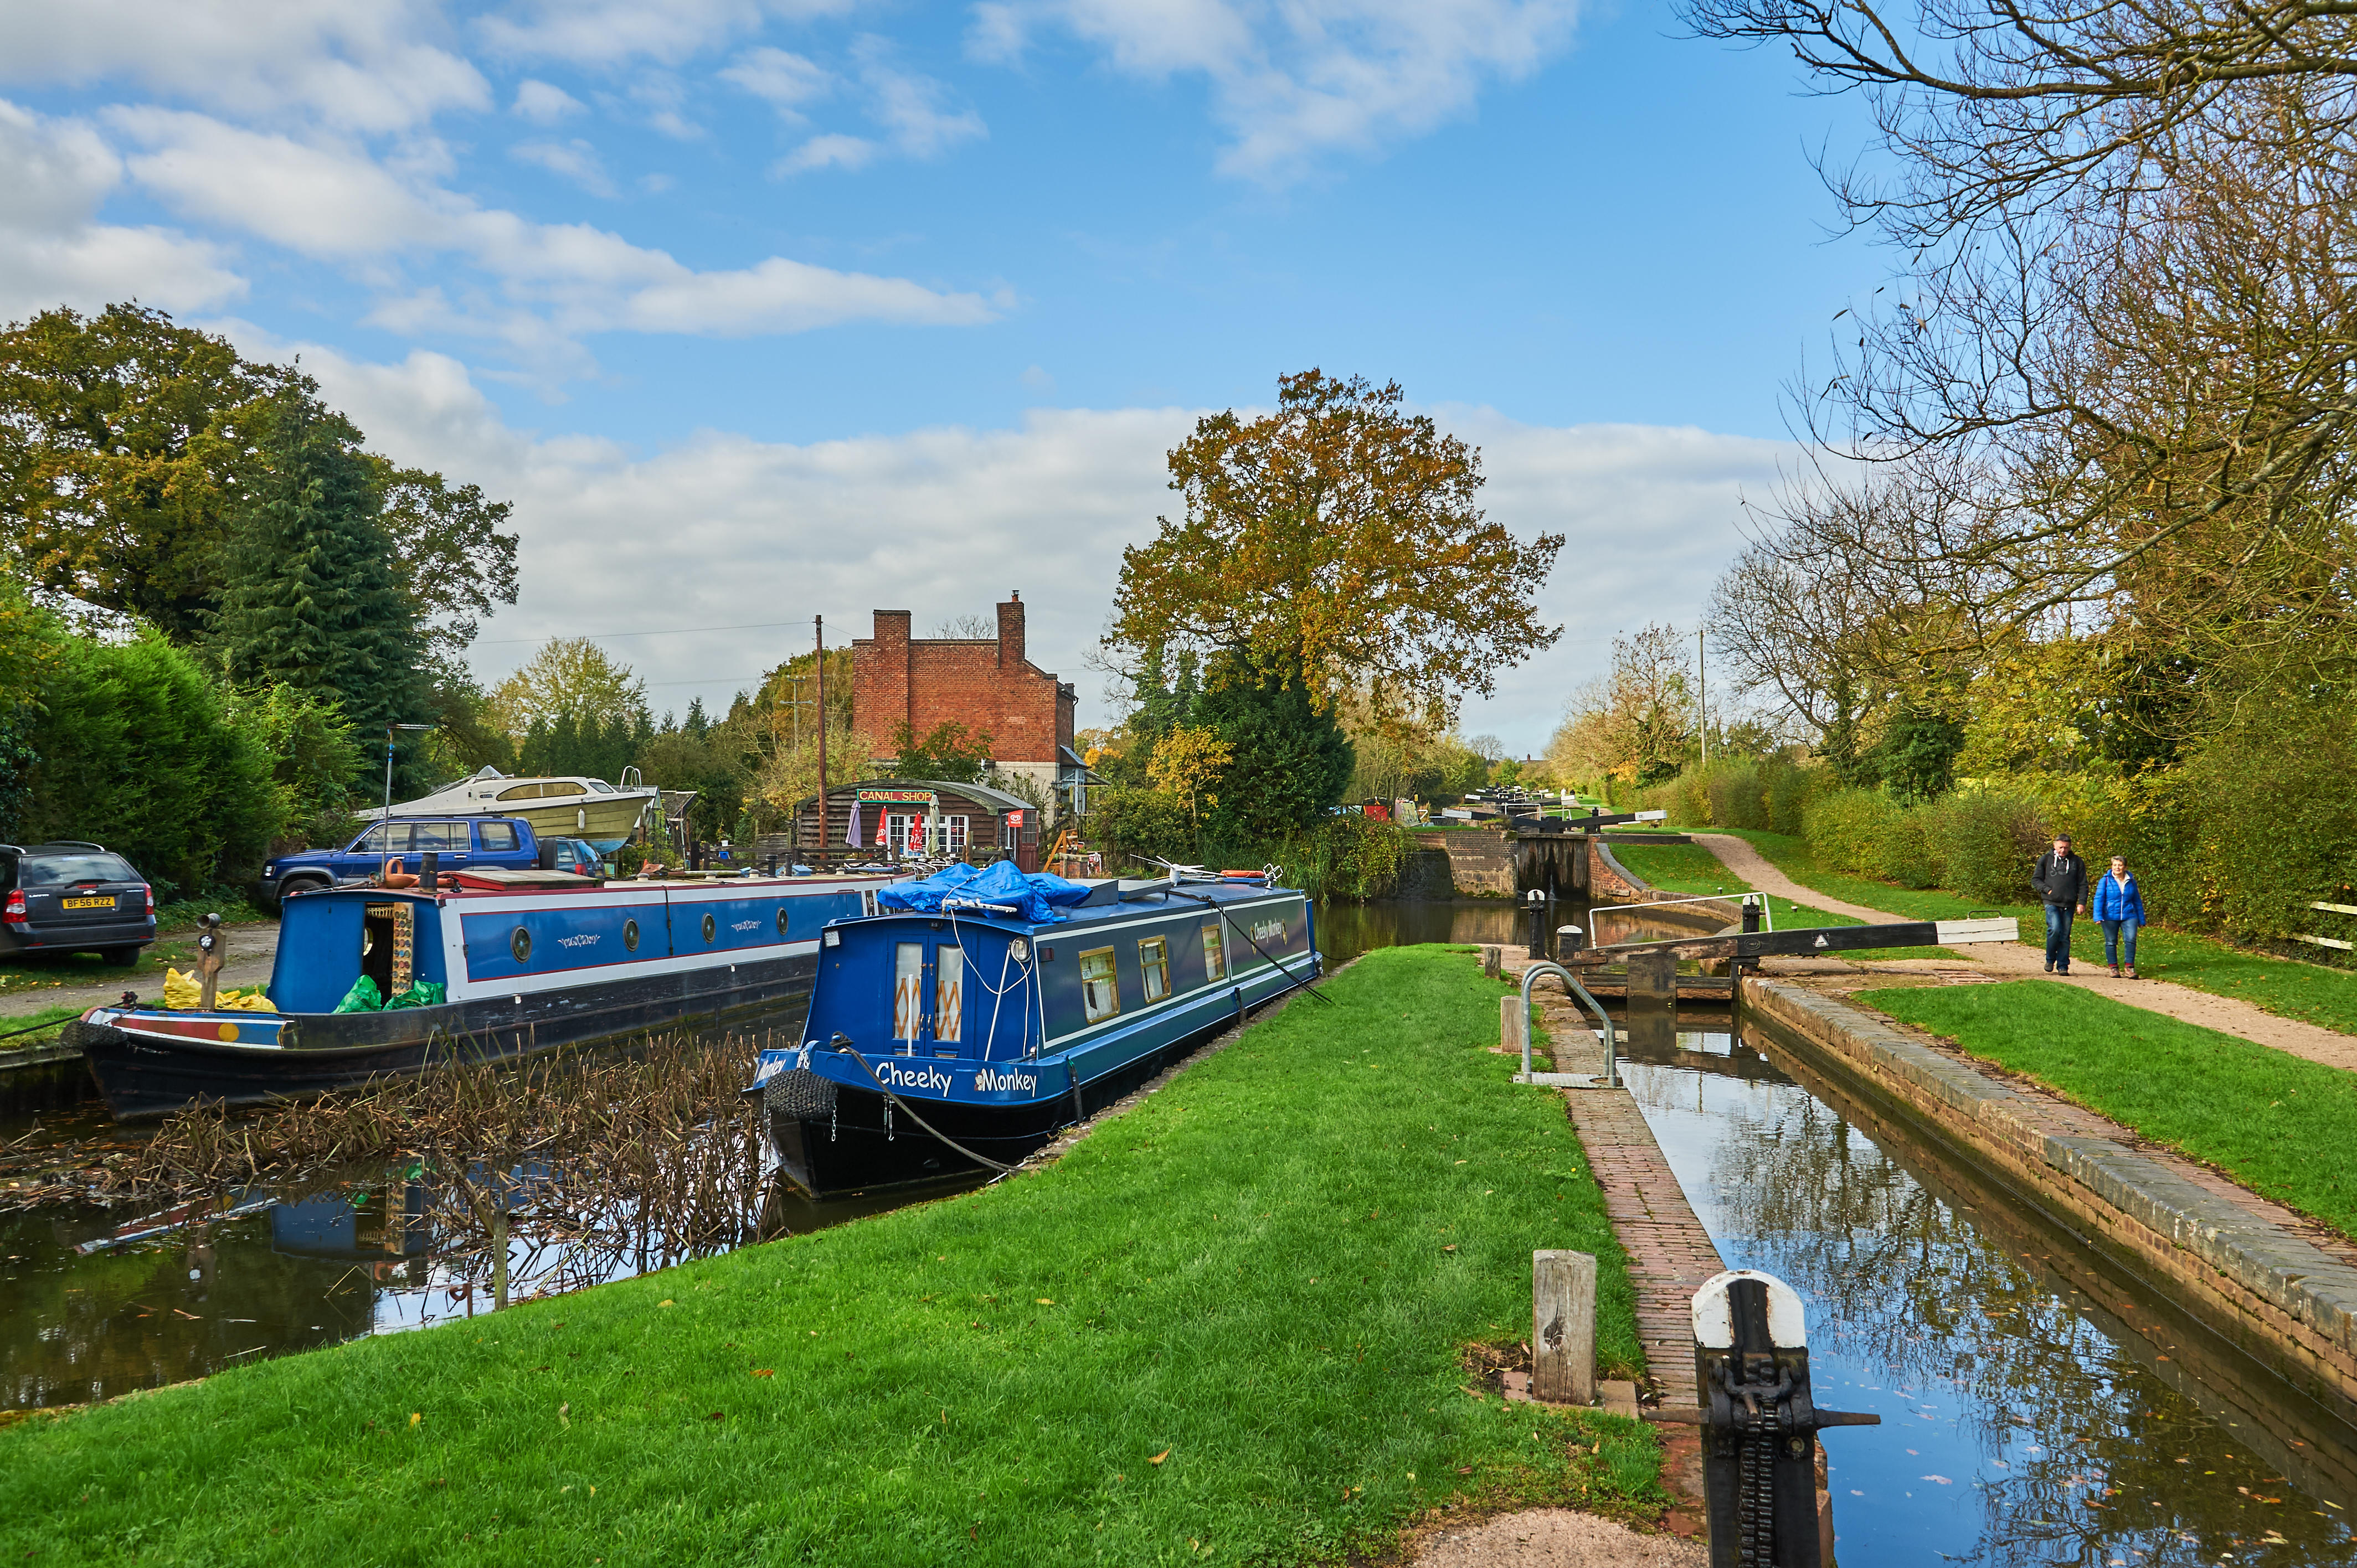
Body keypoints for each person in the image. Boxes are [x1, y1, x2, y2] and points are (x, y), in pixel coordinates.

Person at [2033, 833, 2087, 974]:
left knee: (2065, 935)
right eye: (2061, 847)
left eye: (2066, 848)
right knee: (2055, 929)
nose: (2063, 850)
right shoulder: (2045, 860)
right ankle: (2050, 959)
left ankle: (2063, 965)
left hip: (2069, 902)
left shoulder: (2077, 862)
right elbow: (2036, 880)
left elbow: (2083, 884)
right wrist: (2048, 890)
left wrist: (2082, 902)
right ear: (2055, 845)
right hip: (2051, 901)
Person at [2094, 854, 2145, 978]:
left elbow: (2137, 900)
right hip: (2110, 916)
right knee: (2111, 942)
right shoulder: (2105, 880)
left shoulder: (2131, 881)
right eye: (2115, 865)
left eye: (2120, 865)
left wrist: (2141, 919)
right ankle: (2114, 968)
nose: (2117, 868)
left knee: (2131, 939)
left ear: (2125, 867)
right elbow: (2099, 898)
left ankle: (2129, 968)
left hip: (2129, 915)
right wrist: (2098, 916)